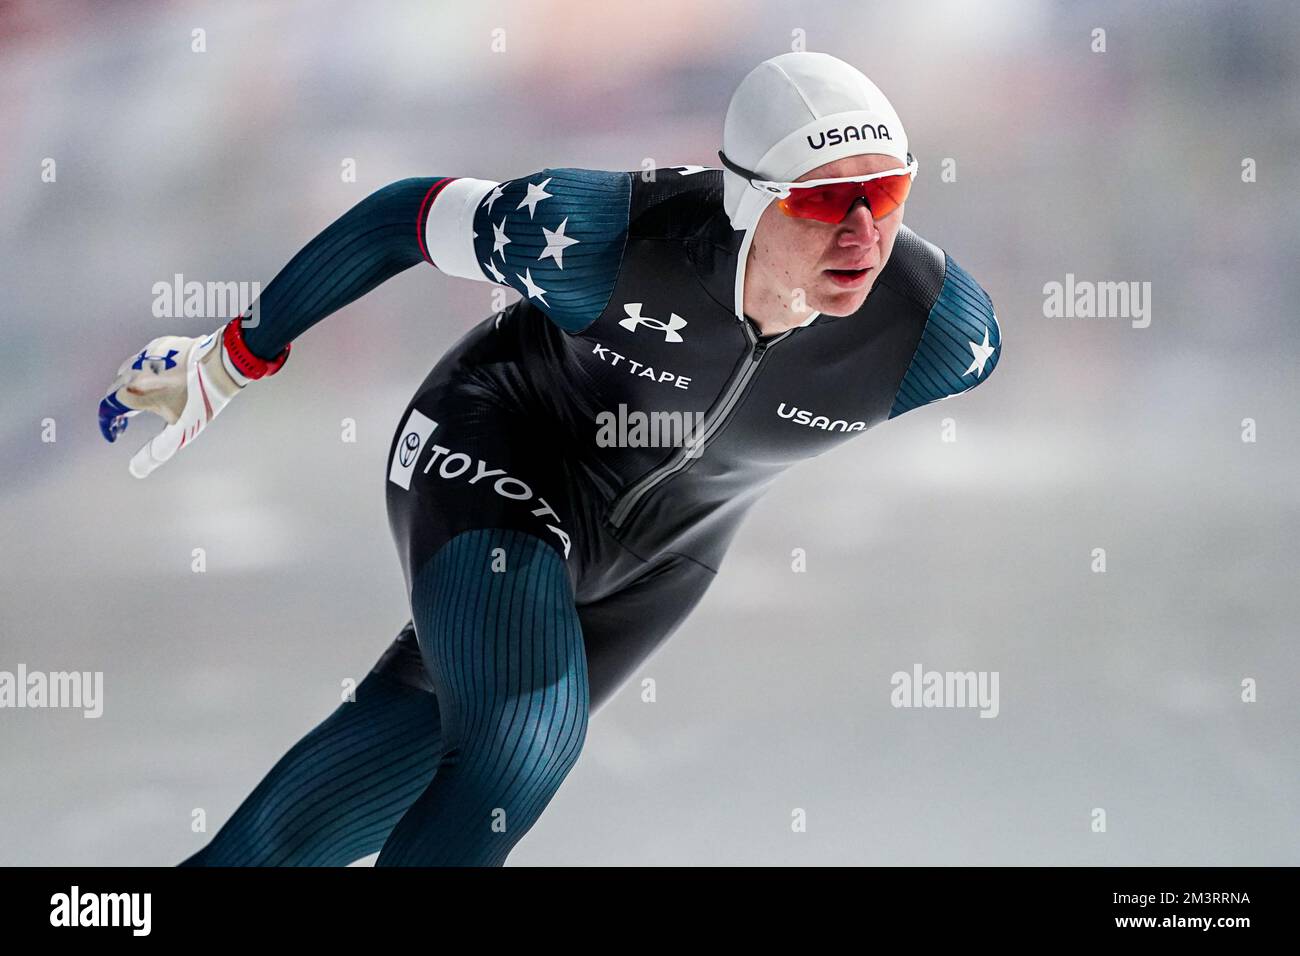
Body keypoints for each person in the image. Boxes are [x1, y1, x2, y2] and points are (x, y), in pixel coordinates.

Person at [100, 51, 1001, 866]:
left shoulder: (939, 335)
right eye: (816, 198)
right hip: (496, 449)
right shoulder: (602, 238)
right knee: (525, 735)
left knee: (348, 811)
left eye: (883, 193)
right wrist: (234, 357)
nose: (860, 234)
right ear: (746, 198)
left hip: (664, 560)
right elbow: (401, 218)